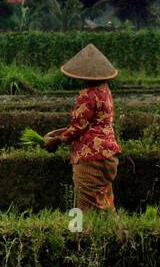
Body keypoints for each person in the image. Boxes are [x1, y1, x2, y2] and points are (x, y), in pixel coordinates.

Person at [43, 43, 121, 211]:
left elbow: (78, 127)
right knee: (105, 202)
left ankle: (84, 235)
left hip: (90, 157)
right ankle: (116, 233)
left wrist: (56, 140)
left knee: (86, 206)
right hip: (108, 155)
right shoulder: (104, 90)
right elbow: (89, 123)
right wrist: (64, 131)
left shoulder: (86, 95)